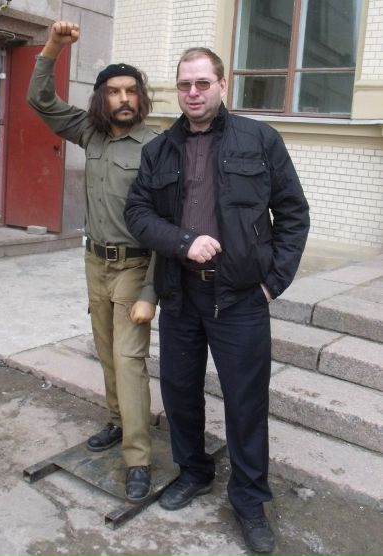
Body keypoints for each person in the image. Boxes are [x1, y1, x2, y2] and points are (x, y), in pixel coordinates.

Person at [124, 47, 310, 552]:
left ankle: (249, 500)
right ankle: (194, 472)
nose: (193, 93)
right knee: (180, 392)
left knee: (246, 403)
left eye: (203, 83)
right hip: (180, 294)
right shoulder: (159, 150)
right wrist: (184, 241)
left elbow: (293, 214)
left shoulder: (260, 140)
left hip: (241, 298)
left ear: (222, 85)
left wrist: (272, 283)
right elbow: (138, 213)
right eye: (185, 84)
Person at [27, 21, 158, 502]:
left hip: (135, 267)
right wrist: (53, 47)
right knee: (105, 351)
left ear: (140, 97)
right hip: (95, 263)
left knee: (128, 359)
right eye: (114, 91)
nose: (123, 99)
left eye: (131, 91)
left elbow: (167, 226)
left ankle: (137, 457)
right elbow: (40, 100)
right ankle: (118, 421)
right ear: (102, 98)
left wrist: (151, 292)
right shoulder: (91, 133)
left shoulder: (158, 148)